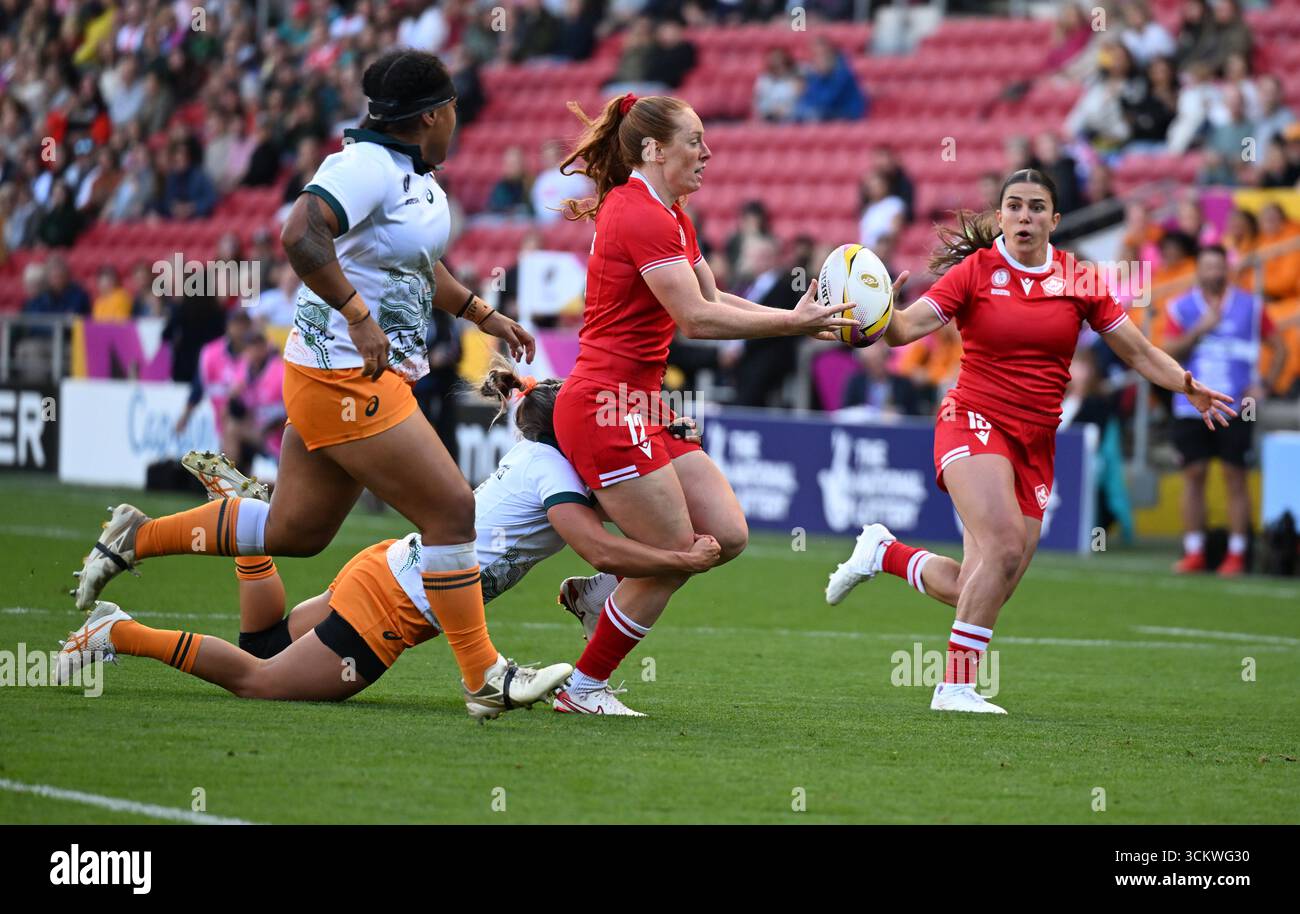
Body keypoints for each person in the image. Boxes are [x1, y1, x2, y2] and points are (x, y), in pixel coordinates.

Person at [71, 50, 550, 711]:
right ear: (434, 114)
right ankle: (482, 676)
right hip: (343, 379)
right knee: (451, 512)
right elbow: (300, 232)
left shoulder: (414, 177)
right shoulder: (363, 166)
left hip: (348, 375)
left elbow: (418, 265)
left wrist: (482, 313)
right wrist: (356, 315)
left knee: (298, 531)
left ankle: (135, 537)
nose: (458, 122)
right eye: (455, 110)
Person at [825, 169, 1235, 714]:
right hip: (971, 418)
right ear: (1000, 217)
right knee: (1004, 547)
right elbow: (903, 330)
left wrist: (1187, 385)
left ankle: (884, 552)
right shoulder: (974, 272)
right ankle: (954, 687)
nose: (1025, 216)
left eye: (1036, 207)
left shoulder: (1080, 279)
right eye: (1014, 206)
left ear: (1055, 220)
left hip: (1038, 440)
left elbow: (1137, 352)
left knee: (984, 580)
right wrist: (871, 313)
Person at [548, 91, 860, 714]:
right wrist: (792, 328)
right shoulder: (640, 214)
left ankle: (603, 593)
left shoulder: (672, 212)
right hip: (606, 405)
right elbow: (695, 319)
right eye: (695, 140)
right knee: (679, 554)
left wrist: (797, 316)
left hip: (644, 403)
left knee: (726, 534)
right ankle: (583, 690)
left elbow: (717, 298)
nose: (707, 151)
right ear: (654, 149)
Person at [1163, 245, 1283, 575]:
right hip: (1191, 405)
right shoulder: (1181, 306)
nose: (1213, 272)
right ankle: (1194, 551)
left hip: (1236, 405)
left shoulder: (1250, 305)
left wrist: (1265, 385)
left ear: (1226, 270)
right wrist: (1201, 327)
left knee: (1235, 475)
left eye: (1219, 266)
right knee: (1193, 474)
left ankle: (1237, 553)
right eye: (1207, 266)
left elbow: (1280, 348)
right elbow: (1166, 350)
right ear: (1198, 271)